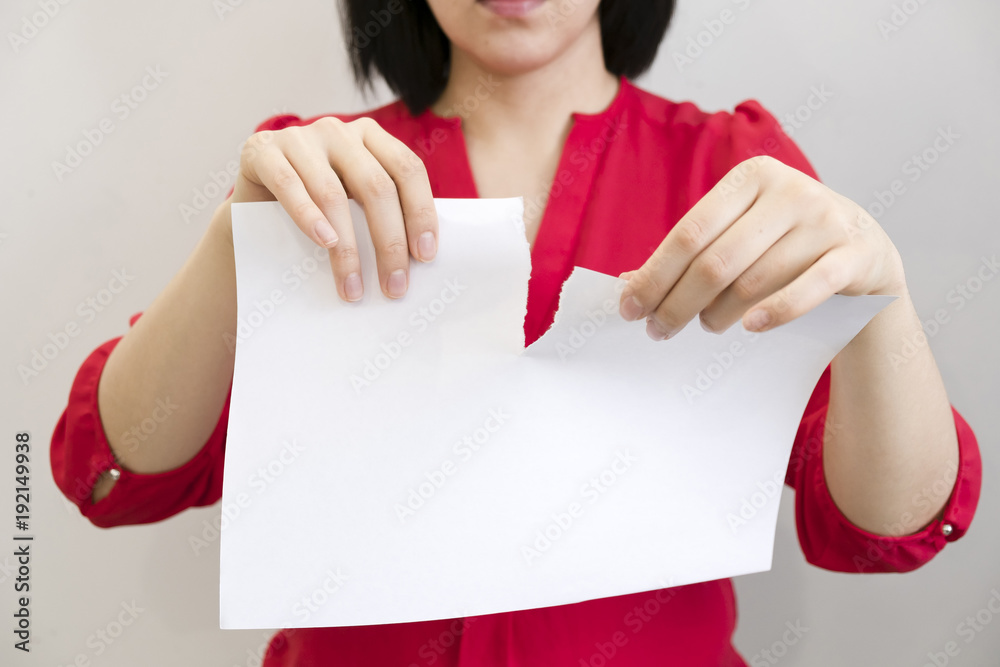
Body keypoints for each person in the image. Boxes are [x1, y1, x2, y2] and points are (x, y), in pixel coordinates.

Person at [51, 0, 982, 665]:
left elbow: (884, 523)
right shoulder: (315, 175)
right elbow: (116, 472)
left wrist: (881, 300)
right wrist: (232, 237)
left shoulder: (736, 172)